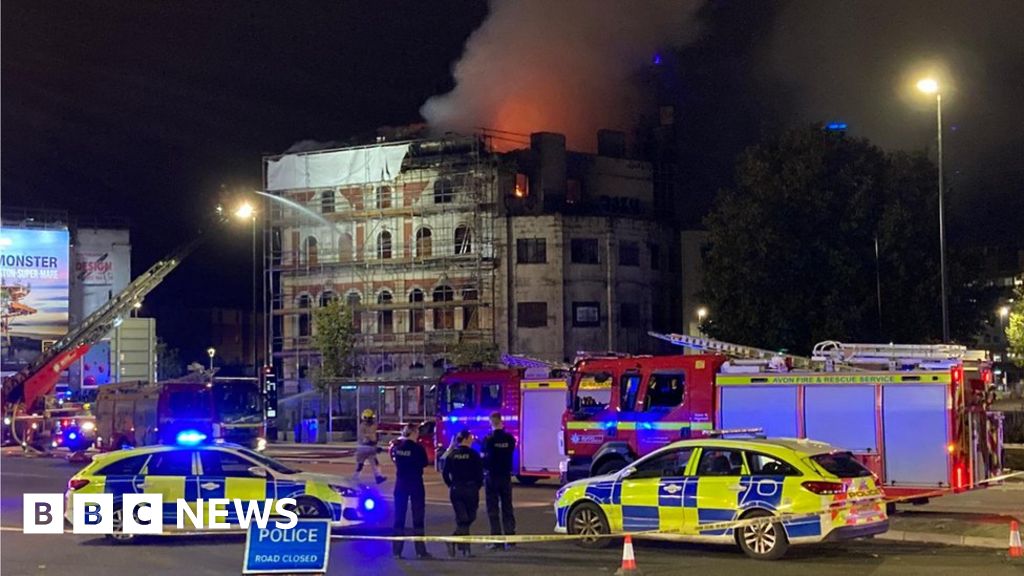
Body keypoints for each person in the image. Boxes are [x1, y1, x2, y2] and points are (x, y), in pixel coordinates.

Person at [391, 422, 432, 559]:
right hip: (415, 483)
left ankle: (397, 550)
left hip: (401, 483)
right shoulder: (418, 449)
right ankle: (420, 550)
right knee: (418, 517)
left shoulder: (398, 448)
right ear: (414, 433)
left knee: (399, 518)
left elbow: (396, 461)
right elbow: (424, 463)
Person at [441, 429, 482, 558]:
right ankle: (463, 547)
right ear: (465, 439)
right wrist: (477, 486)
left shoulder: (452, 455)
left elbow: (445, 473)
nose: (472, 439)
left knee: (462, 518)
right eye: (470, 437)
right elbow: (480, 473)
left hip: (456, 489)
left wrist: (451, 485)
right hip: (470, 488)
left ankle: (458, 543)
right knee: (468, 517)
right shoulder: (474, 455)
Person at [481, 411, 516, 549]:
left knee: (493, 509)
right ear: (501, 421)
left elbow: (484, 458)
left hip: (492, 477)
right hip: (505, 476)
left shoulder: (488, 440)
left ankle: (497, 541)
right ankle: (511, 537)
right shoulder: (510, 439)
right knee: (507, 507)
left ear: (491, 422)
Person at [353, 409, 386, 485]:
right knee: (360, 464)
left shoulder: (373, 425)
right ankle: (355, 477)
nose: (370, 420)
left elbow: (374, 434)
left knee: (374, 462)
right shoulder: (362, 426)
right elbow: (364, 438)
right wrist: (373, 444)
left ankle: (378, 477)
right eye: (369, 418)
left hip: (369, 447)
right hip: (364, 447)